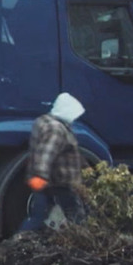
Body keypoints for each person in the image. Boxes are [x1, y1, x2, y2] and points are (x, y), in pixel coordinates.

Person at [20, 92, 88, 233]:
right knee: (76, 216)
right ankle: (81, 244)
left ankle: (17, 242)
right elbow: (46, 153)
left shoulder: (47, 123)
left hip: (50, 183)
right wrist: (40, 176)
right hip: (60, 183)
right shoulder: (56, 129)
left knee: (39, 216)